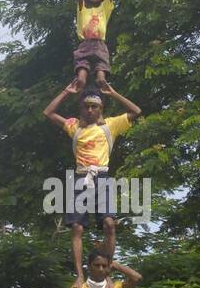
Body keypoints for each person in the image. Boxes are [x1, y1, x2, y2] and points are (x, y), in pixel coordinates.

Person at [43, 81, 142, 275]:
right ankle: (80, 275)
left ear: (100, 108)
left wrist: (113, 93)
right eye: (86, 106)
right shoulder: (74, 126)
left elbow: (137, 111)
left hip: (102, 177)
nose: (90, 110)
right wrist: (66, 90)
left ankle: (106, 271)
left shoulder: (111, 125)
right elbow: (48, 113)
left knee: (109, 224)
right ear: (81, 108)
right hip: (81, 178)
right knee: (77, 229)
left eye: (94, 106)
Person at [74, 0, 118, 89]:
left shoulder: (104, 9)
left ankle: (104, 95)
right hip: (85, 45)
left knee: (101, 79)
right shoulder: (82, 9)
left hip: (99, 45)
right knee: (81, 79)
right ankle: (80, 95)